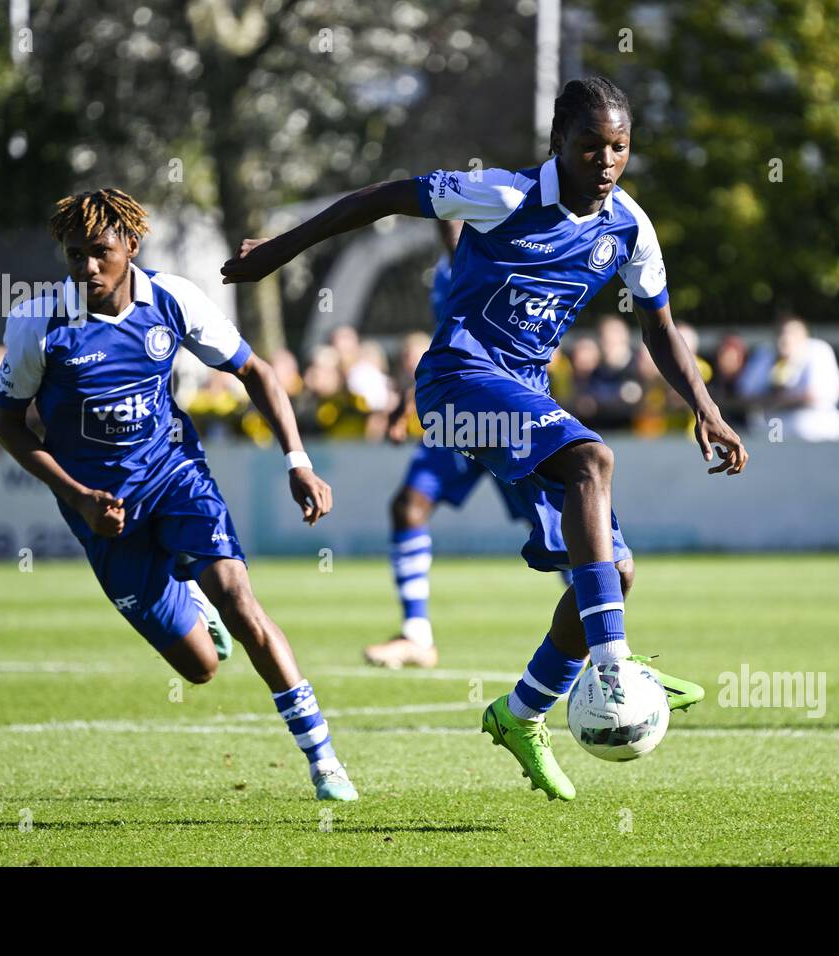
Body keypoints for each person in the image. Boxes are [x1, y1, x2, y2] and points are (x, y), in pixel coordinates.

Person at [222, 76, 747, 801]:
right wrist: (278, 253)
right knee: (593, 459)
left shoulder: (629, 226)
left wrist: (705, 406)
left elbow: (658, 324)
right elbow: (381, 197)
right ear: (558, 143)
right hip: (455, 385)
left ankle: (520, 714)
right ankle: (615, 666)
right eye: (590, 145)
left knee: (613, 574)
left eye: (619, 148)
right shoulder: (502, 195)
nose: (606, 161)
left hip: (522, 395)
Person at [0, 187, 357, 801]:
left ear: (130, 246)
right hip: (101, 511)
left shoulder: (172, 299)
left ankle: (323, 758)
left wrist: (298, 460)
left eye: (100, 252)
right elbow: (8, 423)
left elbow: (255, 372)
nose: (86, 268)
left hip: (174, 475)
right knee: (201, 668)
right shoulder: (39, 322)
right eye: (74, 255)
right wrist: (79, 496)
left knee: (241, 599)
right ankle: (188, 593)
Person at [365, 220, 532, 669]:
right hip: (458, 419)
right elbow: (446, 340)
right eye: (443, 216)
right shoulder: (443, 272)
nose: (448, 225)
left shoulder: (506, 258)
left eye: (458, 216)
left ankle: (601, 640)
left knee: (553, 529)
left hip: (507, 411)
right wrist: (407, 401)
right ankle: (417, 636)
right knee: (408, 506)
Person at [739, 315, 839, 441]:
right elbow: (745, 394)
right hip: (773, 422)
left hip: (813, 419)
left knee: (805, 426)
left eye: (791, 334)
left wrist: (777, 400)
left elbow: (813, 396)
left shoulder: (818, 351)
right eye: (781, 333)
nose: (784, 339)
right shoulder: (765, 354)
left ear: (804, 336)